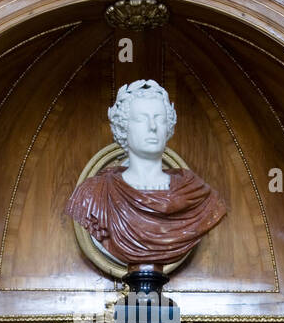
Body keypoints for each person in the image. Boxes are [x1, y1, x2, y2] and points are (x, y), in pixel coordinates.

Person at [65, 79, 227, 269]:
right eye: (141, 119)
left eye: (159, 118)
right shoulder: (94, 193)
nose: (152, 127)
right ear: (123, 127)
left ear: (169, 126)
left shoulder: (198, 194)